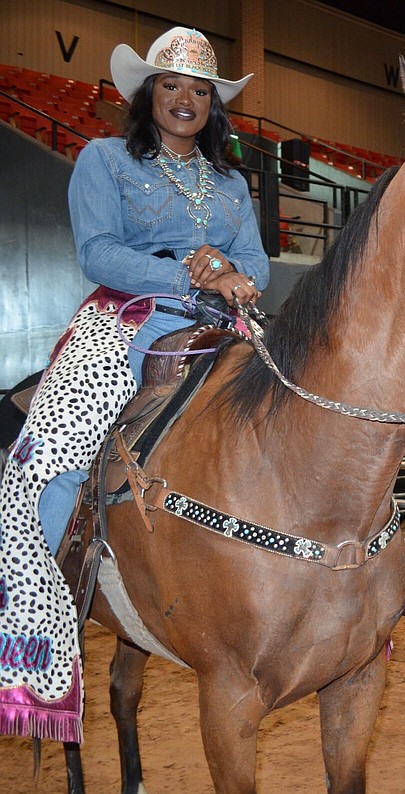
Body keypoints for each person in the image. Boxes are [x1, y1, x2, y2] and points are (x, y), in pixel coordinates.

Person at [0, 27, 268, 743]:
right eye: (172, 85)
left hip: (221, 323)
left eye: (200, 90)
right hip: (125, 321)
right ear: (148, 93)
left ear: (214, 104)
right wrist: (187, 269)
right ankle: (30, 620)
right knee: (50, 455)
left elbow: (258, 267)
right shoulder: (104, 159)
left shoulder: (234, 183)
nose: (185, 99)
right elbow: (98, 252)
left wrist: (235, 277)